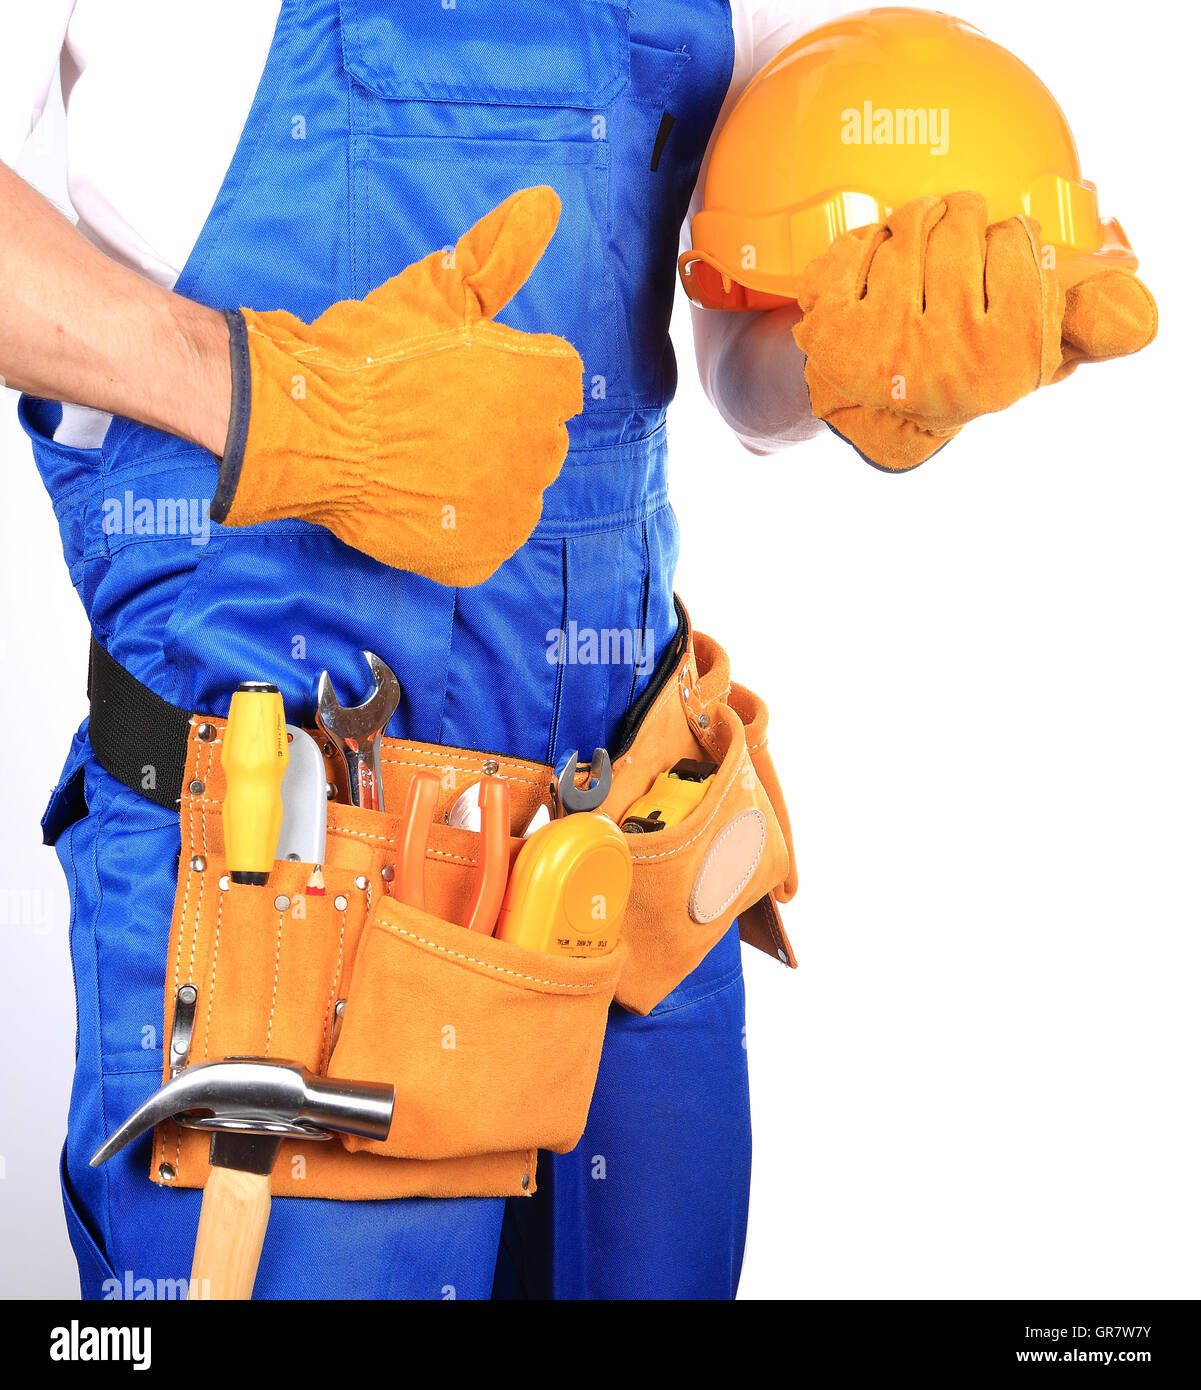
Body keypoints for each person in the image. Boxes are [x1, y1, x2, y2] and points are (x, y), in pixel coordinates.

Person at [0, 0, 1153, 1300]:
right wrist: (274, 398)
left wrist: (863, 360)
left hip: (624, 874)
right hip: (294, 887)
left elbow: (733, 333)